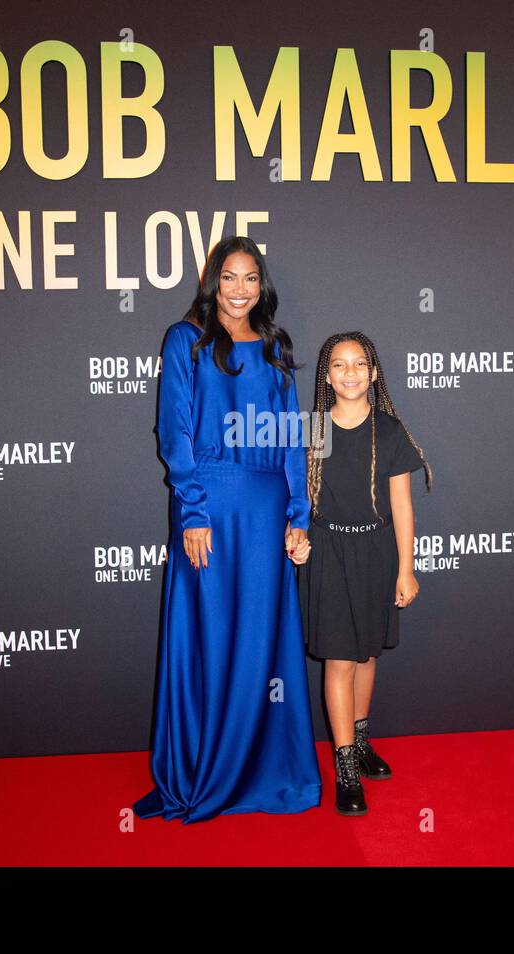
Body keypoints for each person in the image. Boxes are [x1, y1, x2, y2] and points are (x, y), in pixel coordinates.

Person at [133, 236, 321, 824]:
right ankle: (204, 764)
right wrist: (192, 509)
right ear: (213, 281)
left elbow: (291, 436)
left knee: (262, 636)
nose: (240, 289)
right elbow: (174, 432)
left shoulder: (274, 345)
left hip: (266, 509)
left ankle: (265, 767)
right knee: (211, 633)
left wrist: (298, 514)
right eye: (230, 277)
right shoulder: (185, 340)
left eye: (251, 278)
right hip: (209, 506)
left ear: (262, 286)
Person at [299, 331, 433, 815]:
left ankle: (358, 740)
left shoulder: (389, 430)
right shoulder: (312, 429)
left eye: (360, 364)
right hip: (328, 553)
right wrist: (296, 536)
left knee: (367, 654)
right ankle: (344, 766)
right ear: (326, 375)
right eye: (339, 364)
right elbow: (298, 497)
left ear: (373, 374)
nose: (350, 372)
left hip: (376, 552)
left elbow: (402, 504)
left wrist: (407, 569)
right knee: (339, 659)